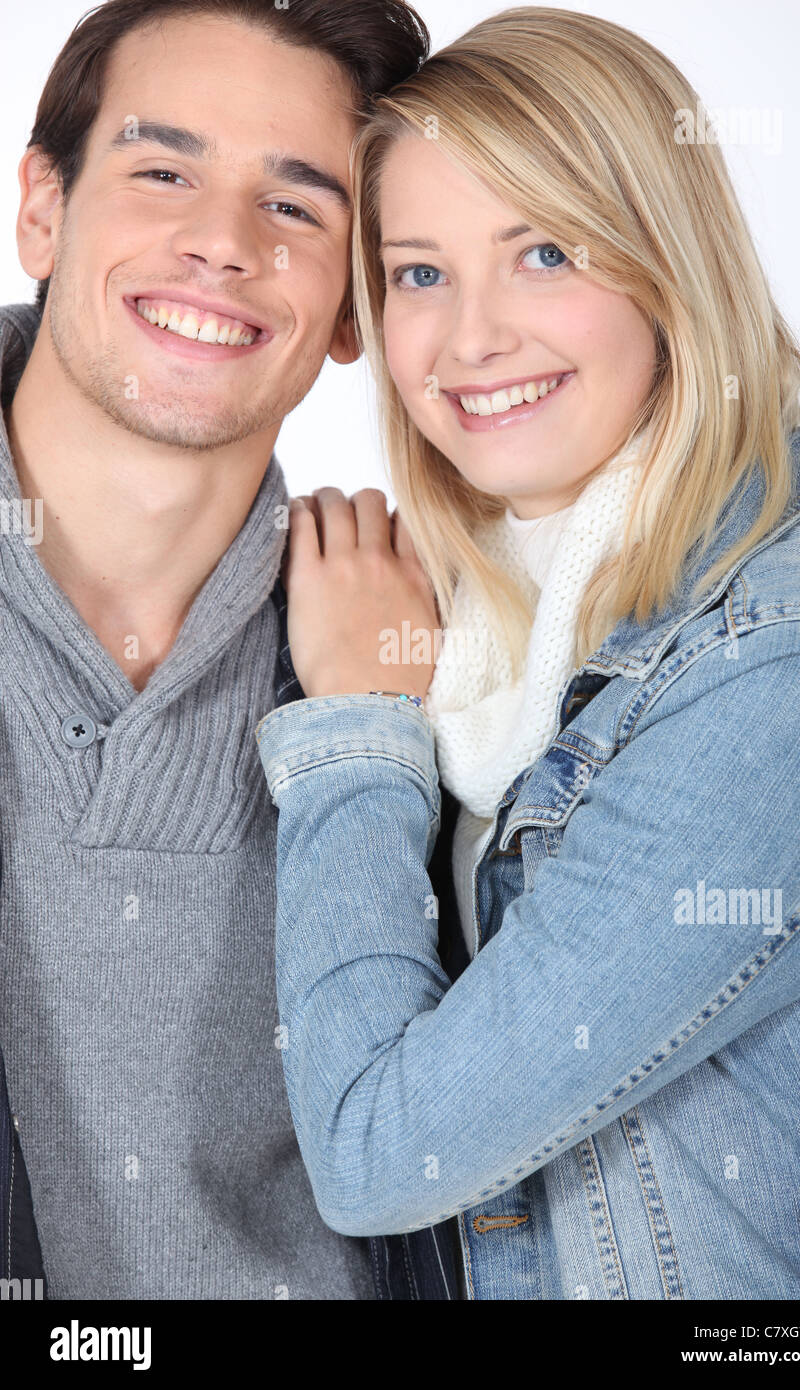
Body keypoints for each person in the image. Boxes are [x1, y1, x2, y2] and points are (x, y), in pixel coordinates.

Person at [257, 7, 800, 1298]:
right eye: (418, 270)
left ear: (668, 266)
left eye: (543, 253)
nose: (470, 337)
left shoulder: (785, 660)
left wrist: (359, 727)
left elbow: (382, 1152)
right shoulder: (430, 607)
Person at [0, 0, 430, 1299]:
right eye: (164, 172)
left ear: (352, 304)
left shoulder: (449, 659)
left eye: (295, 207)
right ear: (42, 210)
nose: (222, 245)